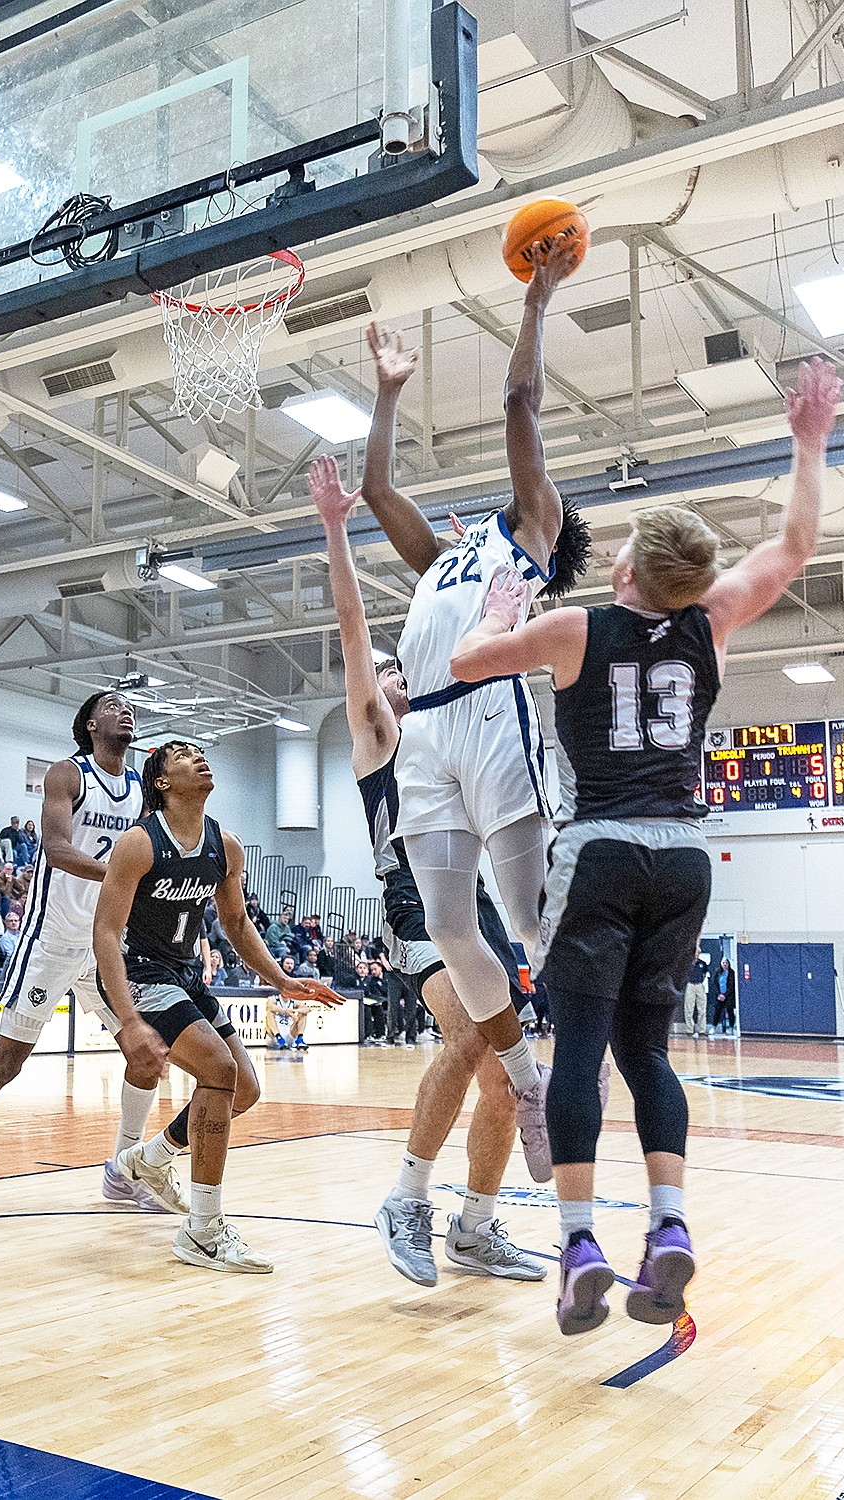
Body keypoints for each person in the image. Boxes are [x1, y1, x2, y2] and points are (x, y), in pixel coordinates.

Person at [451, 356, 842, 1335]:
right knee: (650, 1054)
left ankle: (580, 1241)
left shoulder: (578, 627)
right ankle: (668, 1228)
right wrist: (808, 439)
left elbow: (463, 664)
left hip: (603, 851)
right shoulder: (710, 626)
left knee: (579, 1053)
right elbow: (795, 544)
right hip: (685, 859)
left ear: (627, 569)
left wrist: (498, 608)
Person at [359, 244, 592, 1178]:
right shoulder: (449, 561)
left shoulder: (525, 536)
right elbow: (378, 490)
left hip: (493, 716)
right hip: (426, 737)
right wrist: (386, 394)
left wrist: (536, 297)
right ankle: (526, 1077)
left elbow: (517, 404)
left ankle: (585, 1055)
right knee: (452, 925)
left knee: (533, 920)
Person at [313, 452, 551, 1285]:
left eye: (394, 666)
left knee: (502, 1080)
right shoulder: (380, 734)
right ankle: (406, 1198)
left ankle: (476, 1226)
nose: (389, 674)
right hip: (414, 910)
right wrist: (339, 532)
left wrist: (471, 570)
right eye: (381, 672)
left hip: (474, 904)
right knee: (467, 1042)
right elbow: (352, 632)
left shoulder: (457, 726)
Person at [93, 740, 341, 1274]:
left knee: (245, 1089)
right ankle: (203, 1229)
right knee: (219, 1069)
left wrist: (280, 979)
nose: (199, 757)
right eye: (182, 754)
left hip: (184, 974)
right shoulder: (139, 844)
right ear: (161, 782)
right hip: (141, 972)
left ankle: (150, 1158)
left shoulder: (225, 845)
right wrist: (128, 1019)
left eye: (200, 751)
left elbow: (235, 923)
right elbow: (106, 932)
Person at [0, 692, 153, 1215]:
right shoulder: (69, 774)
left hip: (103, 945)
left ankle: (123, 1171)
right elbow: (58, 849)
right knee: (6, 1063)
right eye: (113, 705)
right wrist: (121, 876)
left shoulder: (140, 789)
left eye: (129, 706)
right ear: (90, 723)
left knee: (145, 1053)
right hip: (50, 940)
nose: (126, 710)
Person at [683, 947, 707, 1039]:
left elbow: (704, 975)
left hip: (699, 985)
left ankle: (702, 1030)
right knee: (689, 1008)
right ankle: (689, 1030)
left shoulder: (702, 963)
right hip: (690, 985)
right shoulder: (687, 963)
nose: (696, 955)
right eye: (695, 953)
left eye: (698, 953)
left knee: (702, 1008)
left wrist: (700, 981)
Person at [711, 956, 737, 1036]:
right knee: (717, 1011)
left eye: (726, 963)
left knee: (730, 1011)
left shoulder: (732, 973)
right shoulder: (717, 972)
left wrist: (725, 995)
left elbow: (732, 986)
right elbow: (714, 984)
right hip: (719, 995)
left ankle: (731, 1028)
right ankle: (714, 1027)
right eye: (723, 963)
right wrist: (719, 994)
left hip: (728, 995)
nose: (725, 964)